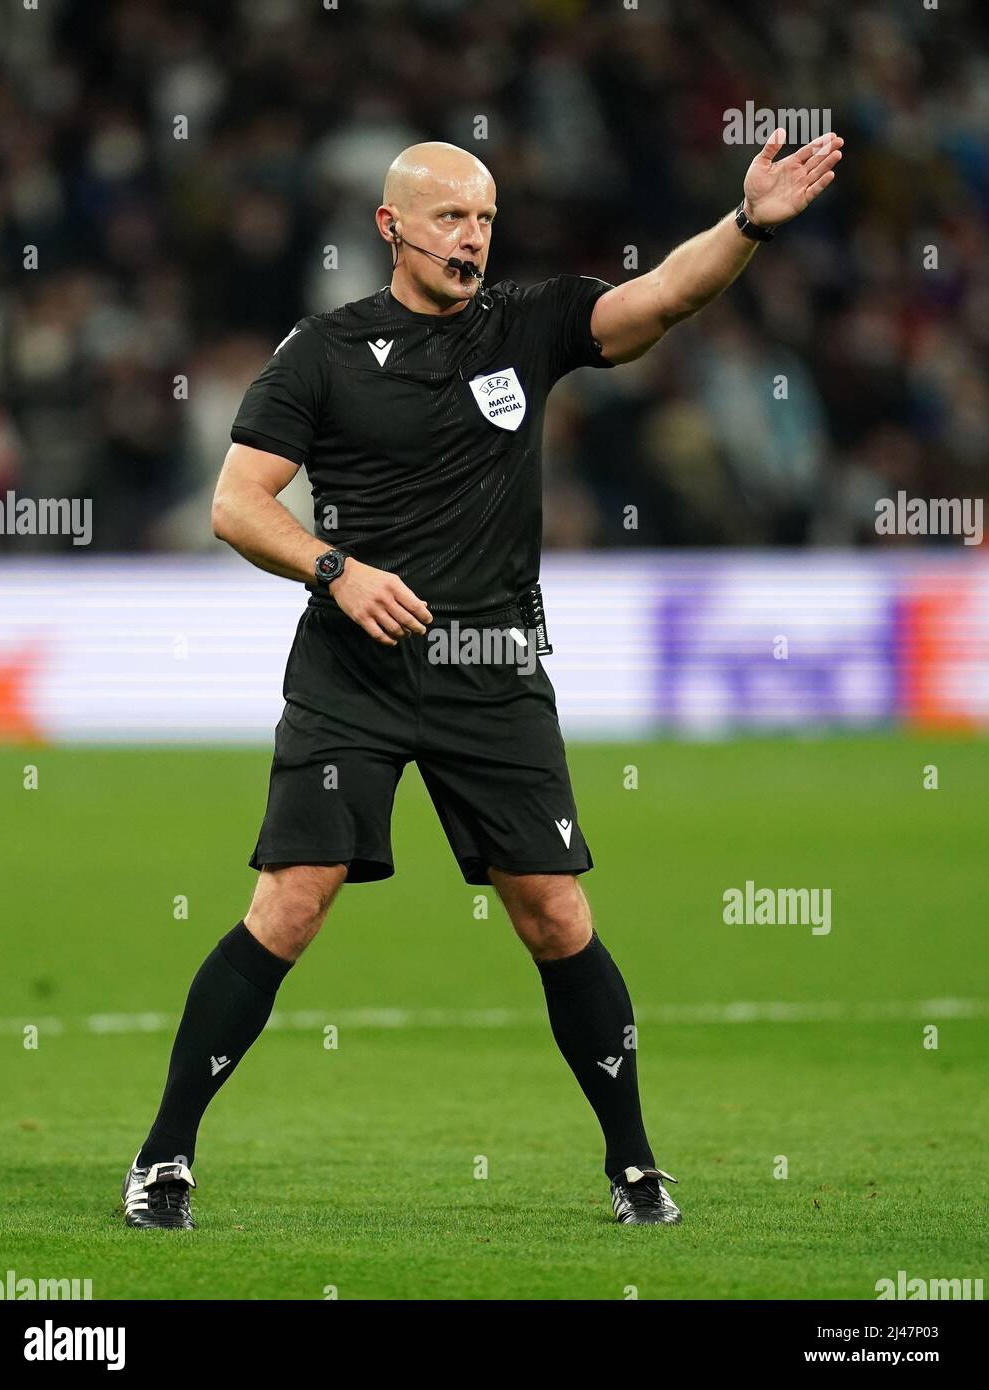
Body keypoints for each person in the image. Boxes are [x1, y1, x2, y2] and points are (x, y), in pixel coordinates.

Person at [122, 133, 843, 1230]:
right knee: (290, 904)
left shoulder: (528, 323)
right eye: (452, 217)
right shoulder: (321, 350)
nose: (472, 238)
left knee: (554, 914)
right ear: (392, 227)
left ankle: (635, 1164)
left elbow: (659, 302)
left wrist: (743, 226)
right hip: (352, 672)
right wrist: (336, 569)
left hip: (493, 670)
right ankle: (163, 1157)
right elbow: (237, 503)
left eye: (485, 219)